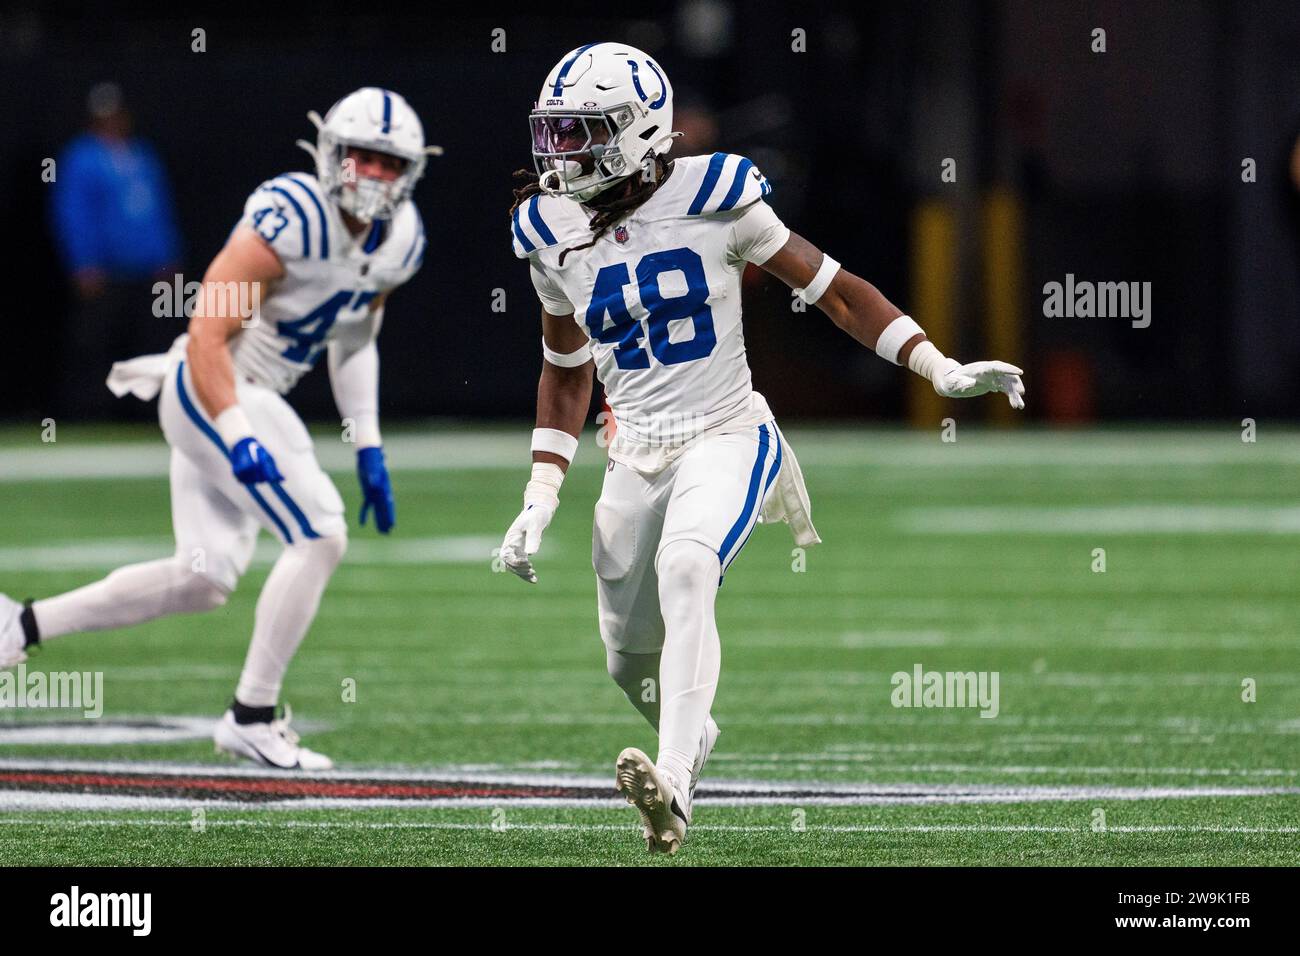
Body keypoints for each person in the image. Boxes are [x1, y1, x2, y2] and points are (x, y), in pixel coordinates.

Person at [498, 43, 1025, 853]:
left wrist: (936, 365)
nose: (561, 153)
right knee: (626, 659)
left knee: (687, 565)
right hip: (634, 448)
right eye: (555, 132)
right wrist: (540, 495)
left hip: (726, 432)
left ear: (638, 132)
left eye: (582, 133)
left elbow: (837, 293)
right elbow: (565, 371)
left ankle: (675, 782)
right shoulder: (548, 229)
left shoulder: (718, 196)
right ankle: (693, 733)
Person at [2, 88, 440, 769]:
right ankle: (251, 716)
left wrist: (370, 445)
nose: (375, 175)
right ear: (331, 153)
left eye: (390, 163)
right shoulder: (291, 216)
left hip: (247, 398)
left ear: (410, 171)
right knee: (321, 534)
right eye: (363, 157)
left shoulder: (401, 237)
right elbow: (207, 333)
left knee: (200, 580)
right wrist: (237, 434)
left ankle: (18, 624)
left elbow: (356, 339)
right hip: (214, 388)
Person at [50, 82, 183, 418]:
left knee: (150, 341)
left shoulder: (142, 155)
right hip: (105, 269)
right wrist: (83, 263)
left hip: (146, 268)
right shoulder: (81, 157)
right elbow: (73, 214)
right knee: (95, 342)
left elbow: (159, 210)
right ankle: (89, 411)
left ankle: (147, 412)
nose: (111, 122)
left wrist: (167, 257)